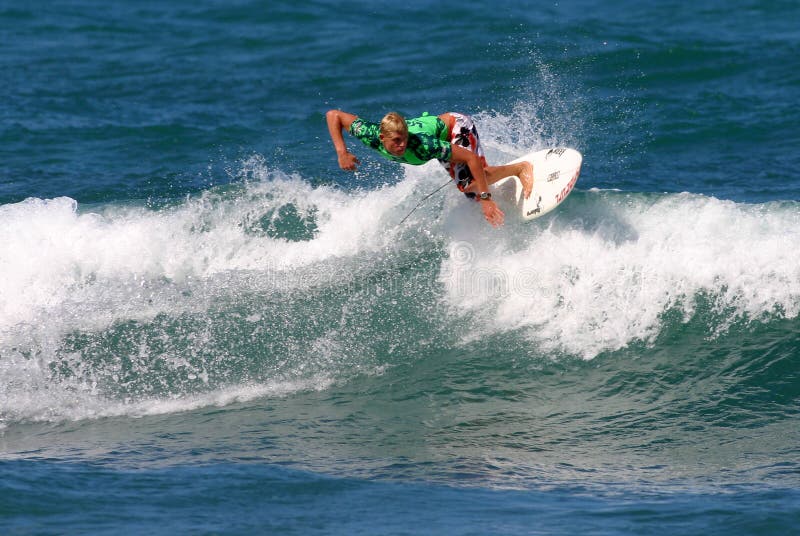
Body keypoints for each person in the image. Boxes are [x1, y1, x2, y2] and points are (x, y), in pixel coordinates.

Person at [326, 110, 533, 227]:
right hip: (440, 139)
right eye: (396, 141)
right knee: (471, 194)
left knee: (474, 180)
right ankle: (493, 199)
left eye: (404, 140)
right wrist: (341, 152)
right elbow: (333, 115)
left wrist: (487, 199)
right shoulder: (370, 134)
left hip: (456, 127)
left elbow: (471, 158)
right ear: (382, 138)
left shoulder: (423, 145)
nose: (402, 146)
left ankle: (519, 169)